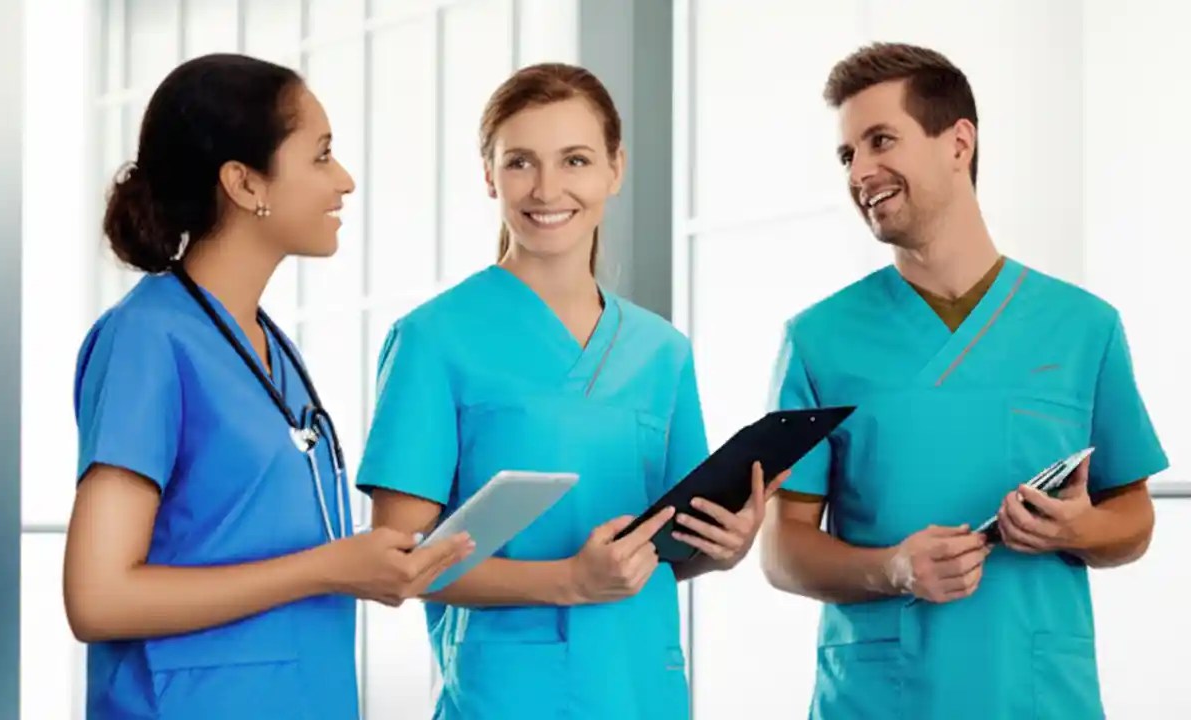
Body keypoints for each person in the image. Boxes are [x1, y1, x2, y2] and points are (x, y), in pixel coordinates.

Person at [355, 62, 778, 720]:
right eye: (520, 162)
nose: (548, 188)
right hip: (506, 697)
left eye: (575, 160)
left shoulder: (662, 352)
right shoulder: (434, 339)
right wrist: (567, 582)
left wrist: (722, 547)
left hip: (644, 689)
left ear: (615, 168)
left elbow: (662, 547)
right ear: (488, 174)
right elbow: (397, 560)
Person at [759, 42, 1168, 719]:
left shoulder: (1083, 327)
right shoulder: (818, 340)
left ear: (958, 143)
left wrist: (1073, 530)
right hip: (877, 697)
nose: (861, 170)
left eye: (880, 140)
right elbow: (782, 548)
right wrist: (893, 569)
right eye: (847, 155)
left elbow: (1134, 517)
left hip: (1037, 696)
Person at [62, 53, 473, 720]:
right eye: (320, 156)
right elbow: (98, 598)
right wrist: (329, 568)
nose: (343, 181)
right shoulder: (147, 339)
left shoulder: (265, 344)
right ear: (245, 183)